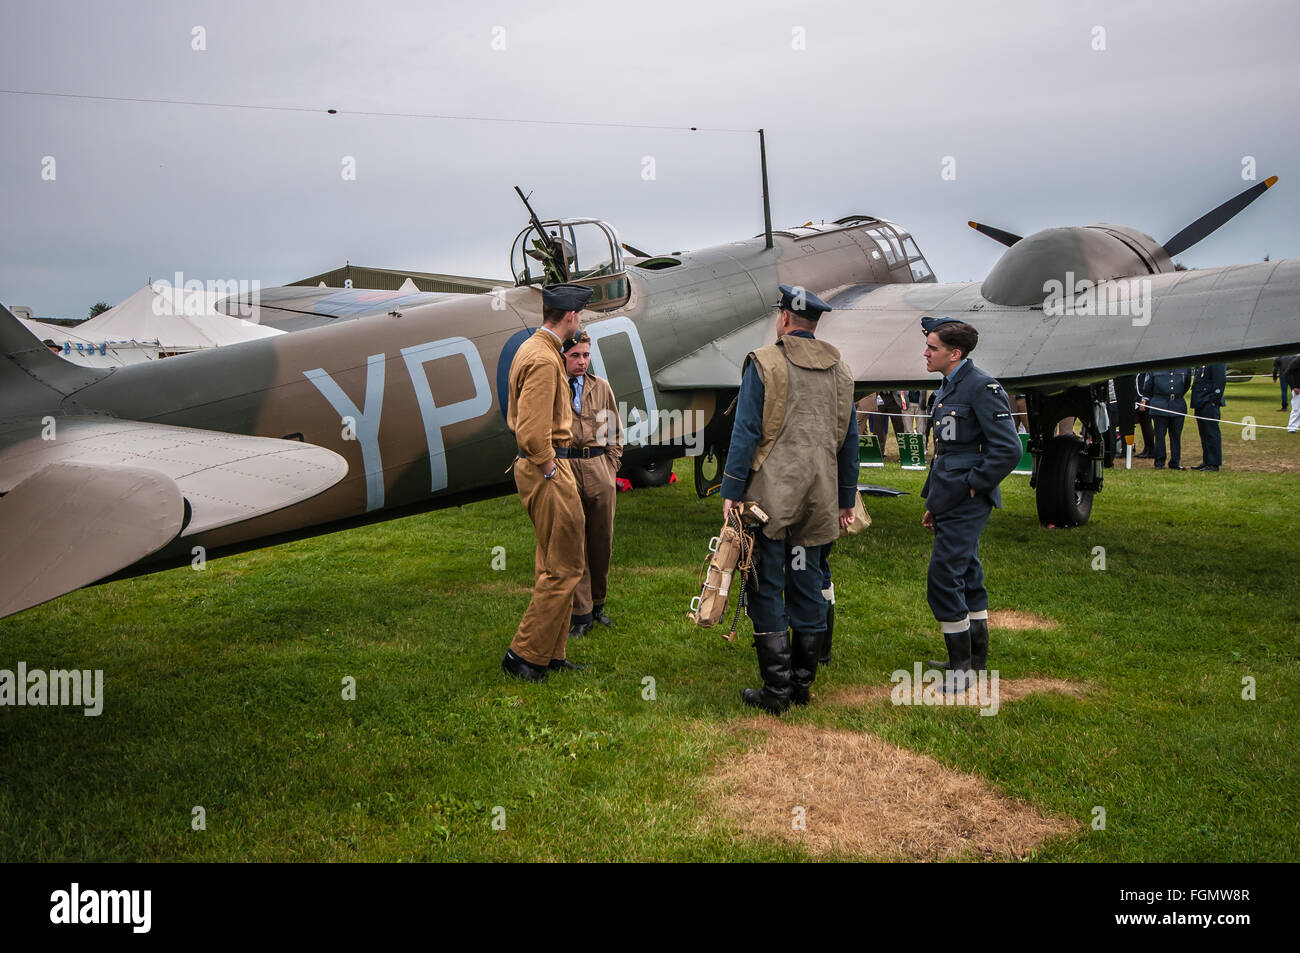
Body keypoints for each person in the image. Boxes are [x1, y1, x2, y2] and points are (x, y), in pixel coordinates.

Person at [720, 284, 858, 714]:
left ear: (783, 319)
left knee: (765, 584)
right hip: (821, 493)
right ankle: (801, 685)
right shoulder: (842, 371)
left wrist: (731, 489)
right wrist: (846, 498)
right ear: (814, 324)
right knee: (809, 582)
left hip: (768, 496)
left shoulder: (764, 363)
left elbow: (745, 433)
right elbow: (849, 442)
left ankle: (776, 691)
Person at [918, 316, 1022, 691]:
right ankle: (974, 658)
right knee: (968, 573)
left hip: (967, 496)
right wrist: (936, 500)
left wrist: (975, 485)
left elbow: (1009, 449)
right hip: (950, 494)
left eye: (933, 347)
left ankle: (962, 668)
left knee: (943, 577)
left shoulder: (981, 387)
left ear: (955, 352)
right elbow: (946, 452)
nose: (926, 353)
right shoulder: (948, 386)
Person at [500, 283, 592, 683]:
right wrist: (552, 469)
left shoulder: (535, 348)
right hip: (546, 467)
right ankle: (523, 656)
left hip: (543, 467)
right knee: (566, 565)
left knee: (551, 562)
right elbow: (534, 434)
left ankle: (551, 653)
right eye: (581, 316)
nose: (581, 322)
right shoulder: (542, 359)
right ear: (570, 317)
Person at [563, 331, 624, 639]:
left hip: (599, 467)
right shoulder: (554, 387)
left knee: (602, 541)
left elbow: (615, 429)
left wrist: (610, 468)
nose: (582, 361)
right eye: (575, 355)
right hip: (567, 466)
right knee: (576, 541)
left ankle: (598, 605)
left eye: (586, 355)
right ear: (564, 357)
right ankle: (581, 613)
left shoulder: (602, 388)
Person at [1136, 368, 1192, 469]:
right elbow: (1148, 387)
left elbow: (1186, 386)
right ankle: (1159, 462)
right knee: (1160, 436)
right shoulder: (1155, 369)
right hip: (1159, 405)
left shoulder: (1185, 369)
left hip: (1177, 405)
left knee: (1176, 435)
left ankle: (1175, 462)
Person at [1190, 363, 1227, 471]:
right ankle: (1207, 461)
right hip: (1200, 401)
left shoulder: (1217, 361)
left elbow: (1220, 381)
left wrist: (1214, 400)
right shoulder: (1202, 361)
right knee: (1204, 433)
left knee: (1211, 433)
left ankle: (1214, 463)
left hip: (1209, 402)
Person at [1285, 356, 1300, 434]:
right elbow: (1286, 374)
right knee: (1296, 409)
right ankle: (1291, 427)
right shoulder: (1297, 361)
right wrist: (1294, 387)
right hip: (1298, 390)